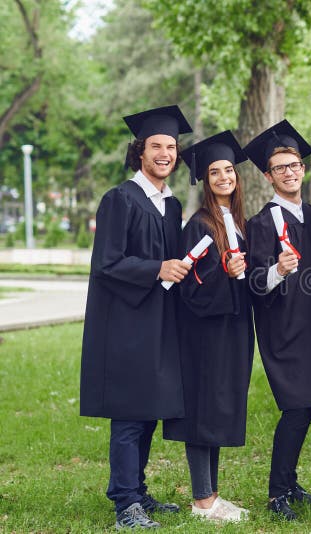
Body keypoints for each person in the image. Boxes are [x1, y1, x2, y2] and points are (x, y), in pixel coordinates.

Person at [80, 105, 192, 529]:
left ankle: (137, 491)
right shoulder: (119, 199)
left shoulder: (171, 205)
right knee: (129, 414)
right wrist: (156, 268)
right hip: (126, 323)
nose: (165, 153)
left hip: (159, 321)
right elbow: (106, 263)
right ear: (140, 152)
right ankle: (125, 503)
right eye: (156, 146)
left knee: (148, 410)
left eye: (171, 147)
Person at [162, 130, 254, 522]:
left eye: (228, 170)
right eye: (214, 172)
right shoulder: (199, 225)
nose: (223, 177)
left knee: (216, 411)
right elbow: (190, 287)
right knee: (202, 410)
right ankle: (202, 500)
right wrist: (226, 273)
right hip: (204, 332)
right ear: (205, 180)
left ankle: (212, 497)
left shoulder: (238, 221)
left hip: (232, 330)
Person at [243, 120, 311, 521]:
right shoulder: (261, 223)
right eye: (281, 168)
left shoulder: (309, 214)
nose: (290, 171)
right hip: (282, 327)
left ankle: (289, 482)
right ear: (268, 176)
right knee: (297, 406)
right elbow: (255, 284)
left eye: (294, 164)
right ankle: (278, 493)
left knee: (309, 405)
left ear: (303, 167)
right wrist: (278, 268)